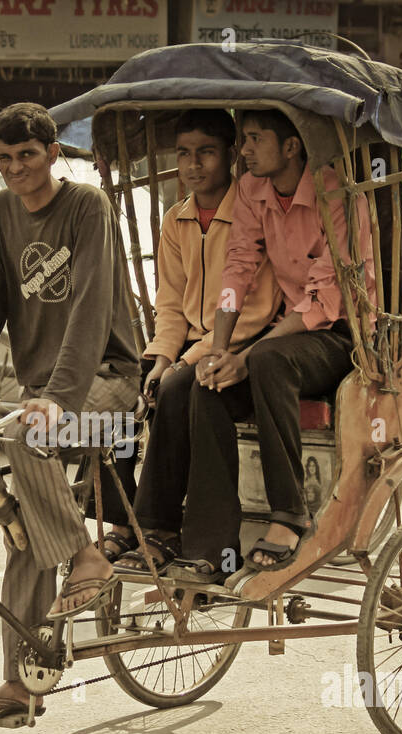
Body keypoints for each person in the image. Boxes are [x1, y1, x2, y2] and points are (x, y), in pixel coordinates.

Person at [0, 103, 141, 729]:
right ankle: (22, 681)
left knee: (28, 438)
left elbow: (93, 306)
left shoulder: (88, 207)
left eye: (28, 155)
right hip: (48, 394)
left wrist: (60, 399)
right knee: (24, 530)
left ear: (54, 155)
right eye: (6, 158)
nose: (16, 169)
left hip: (107, 384)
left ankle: (90, 558)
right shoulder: (2, 213)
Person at [127, 108, 376, 577]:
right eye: (242, 140)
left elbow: (326, 297)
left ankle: (290, 514)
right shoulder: (253, 189)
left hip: (342, 334)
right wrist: (219, 351)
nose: (243, 151)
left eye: (254, 140)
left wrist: (243, 356)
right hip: (287, 332)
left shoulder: (335, 196)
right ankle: (195, 544)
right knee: (192, 385)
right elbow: (237, 269)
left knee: (266, 360)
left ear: (290, 147)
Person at [101, 109, 282, 573]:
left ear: (229, 154)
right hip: (193, 345)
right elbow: (171, 303)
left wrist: (188, 361)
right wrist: (161, 357)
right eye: (184, 154)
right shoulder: (176, 219)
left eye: (205, 152)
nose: (193, 165)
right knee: (123, 387)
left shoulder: (252, 213)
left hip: (248, 345)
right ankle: (124, 522)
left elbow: (256, 306)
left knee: (184, 388)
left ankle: (176, 536)